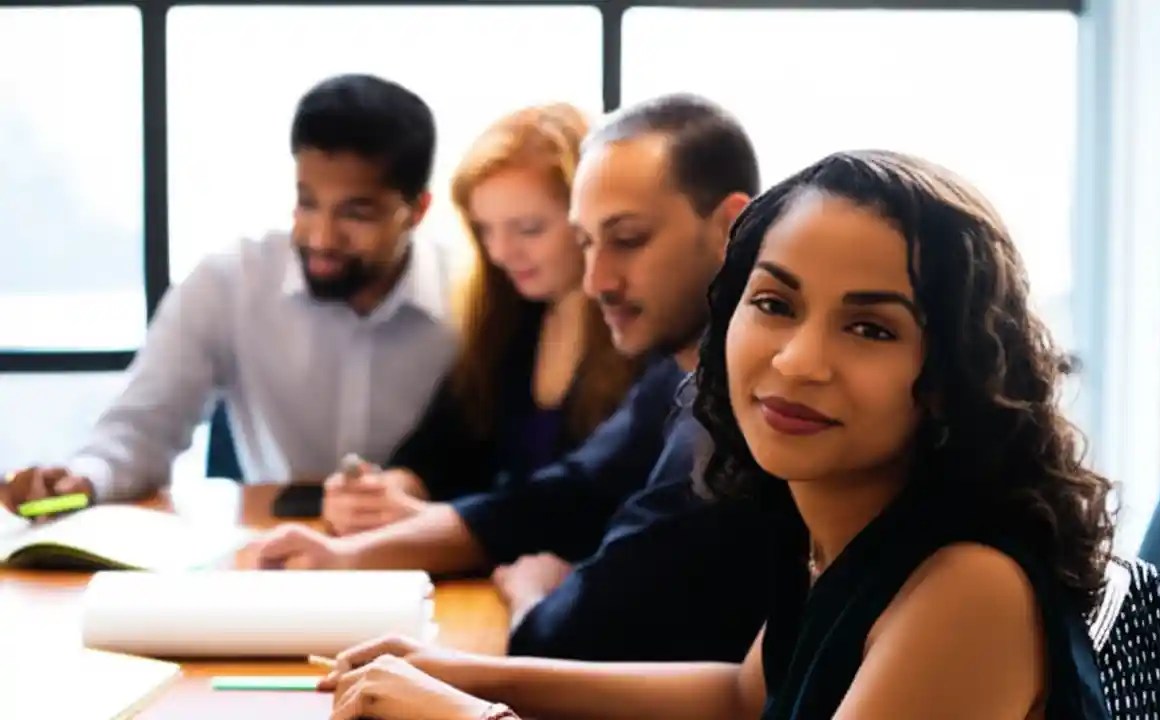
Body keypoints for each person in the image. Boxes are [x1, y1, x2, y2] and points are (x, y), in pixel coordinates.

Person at [313, 150, 1151, 720]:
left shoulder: (969, 590)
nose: (796, 361)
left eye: (870, 329)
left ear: (953, 376)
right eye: (775, 304)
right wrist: (463, 669)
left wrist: (470, 715)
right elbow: (742, 696)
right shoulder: (837, 516)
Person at [247, 93, 773, 663]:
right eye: (587, 242)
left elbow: (572, 634)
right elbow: (557, 498)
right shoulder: (675, 378)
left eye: (626, 239)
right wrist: (349, 556)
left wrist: (531, 595)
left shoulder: (736, 411)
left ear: (731, 227)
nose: (595, 282)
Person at [0, 74, 454, 510]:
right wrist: (84, 479)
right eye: (307, 202)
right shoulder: (230, 282)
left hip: (435, 556)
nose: (321, 237)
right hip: (270, 554)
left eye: (356, 214)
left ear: (416, 210)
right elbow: (144, 427)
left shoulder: (469, 301)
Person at [321, 103, 642, 538]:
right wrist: (387, 491)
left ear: (590, 219)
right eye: (485, 230)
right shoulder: (509, 320)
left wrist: (436, 521)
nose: (501, 253)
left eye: (528, 229)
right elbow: (441, 448)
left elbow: (582, 495)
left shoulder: (644, 334)